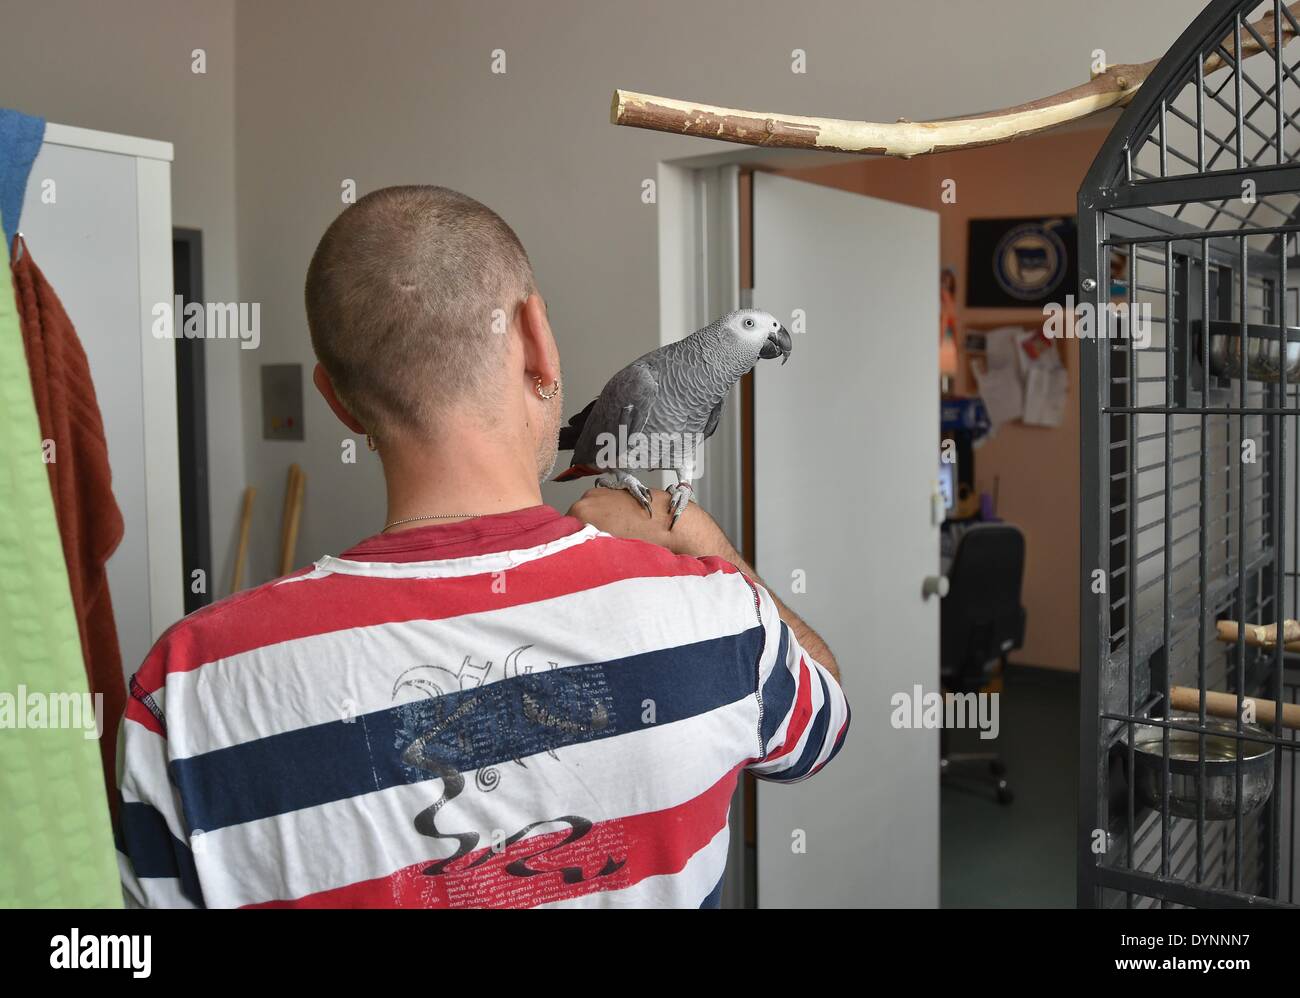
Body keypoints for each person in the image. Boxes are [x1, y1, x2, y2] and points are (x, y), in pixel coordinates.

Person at [115, 185, 848, 909]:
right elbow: (827, 715)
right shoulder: (719, 613)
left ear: (337, 401)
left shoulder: (183, 690)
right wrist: (701, 540)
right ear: (540, 343)